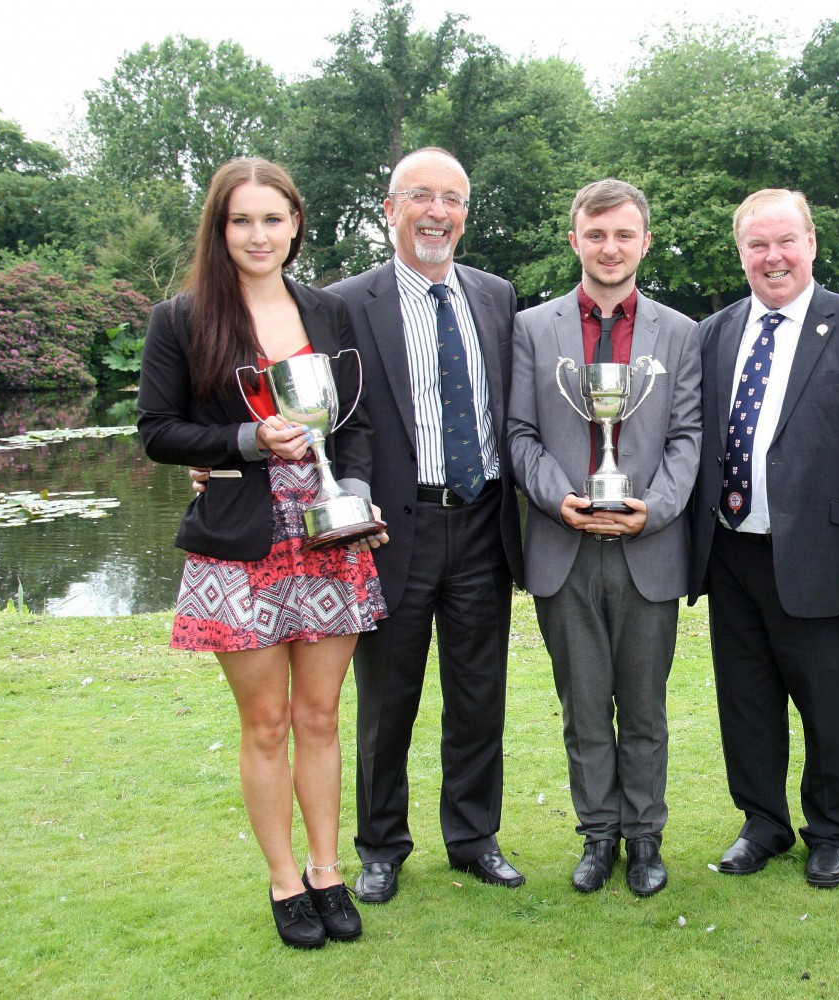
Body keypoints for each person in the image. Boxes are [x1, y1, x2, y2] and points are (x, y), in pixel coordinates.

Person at [137, 157, 385, 949]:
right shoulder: (180, 319)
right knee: (268, 722)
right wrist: (247, 438)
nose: (258, 235)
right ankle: (283, 882)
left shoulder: (330, 311)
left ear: (296, 225)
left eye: (272, 219)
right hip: (241, 542)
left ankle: (326, 869)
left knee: (319, 716)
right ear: (220, 228)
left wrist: (354, 492)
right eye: (241, 220)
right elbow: (157, 431)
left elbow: (359, 424)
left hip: (327, 536)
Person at [687, 189, 839, 889]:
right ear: (741, 253)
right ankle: (763, 822)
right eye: (758, 245)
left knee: (828, 702)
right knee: (745, 700)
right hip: (732, 552)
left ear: (812, 243)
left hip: (824, 555)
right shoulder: (714, 333)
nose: (773, 257)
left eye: (786, 241)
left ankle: (836, 828)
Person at [333, 147, 527, 901]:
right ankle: (381, 846)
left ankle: (474, 837)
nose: (437, 212)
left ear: (466, 214)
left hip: (481, 523)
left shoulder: (495, 295)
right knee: (388, 699)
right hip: (393, 530)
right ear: (390, 208)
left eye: (452, 198)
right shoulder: (346, 302)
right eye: (421, 195)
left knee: (480, 695)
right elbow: (316, 410)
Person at [507, 179, 701, 896]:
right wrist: (559, 500)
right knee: (583, 707)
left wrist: (653, 509)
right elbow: (520, 434)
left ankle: (646, 840)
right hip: (565, 550)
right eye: (596, 235)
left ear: (645, 241)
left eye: (624, 235)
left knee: (644, 709)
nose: (610, 248)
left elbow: (688, 439)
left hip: (649, 549)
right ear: (575, 242)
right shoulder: (531, 329)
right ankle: (598, 837)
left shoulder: (682, 334)